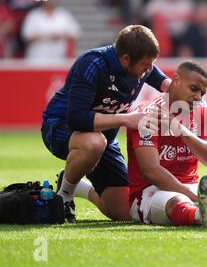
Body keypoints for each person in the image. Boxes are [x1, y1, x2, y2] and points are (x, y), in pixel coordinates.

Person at [42, 24, 171, 223]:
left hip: (104, 138)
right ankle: (64, 196)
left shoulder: (142, 63)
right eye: (146, 64)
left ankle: (78, 186)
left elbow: (164, 83)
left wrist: (181, 91)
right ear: (126, 59)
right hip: (61, 127)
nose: (149, 69)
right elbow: (78, 118)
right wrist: (128, 119)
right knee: (94, 143)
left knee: (126, 212)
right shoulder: (92, 64)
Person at [126, 61, 207, 227]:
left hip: (193, 189)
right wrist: (195, 198)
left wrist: (181, 130)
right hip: (151, 192)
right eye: (194, 89)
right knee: (176, 201)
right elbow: (151, 172)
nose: (198, 97)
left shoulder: (202, 112)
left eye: (202, 93)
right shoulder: (148, 114)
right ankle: (200, 214)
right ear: (175, 80)